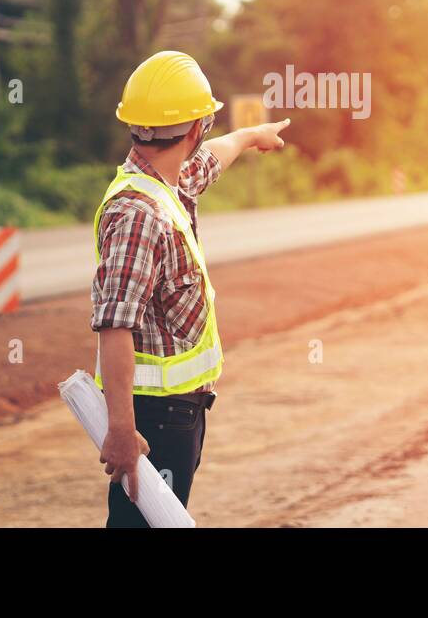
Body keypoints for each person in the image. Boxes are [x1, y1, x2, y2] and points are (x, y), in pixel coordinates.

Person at [92, 50, 289, 526]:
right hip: (155, 420)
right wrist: (121, 428)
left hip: (177, 412)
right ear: (197, 126)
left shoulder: (168, 182)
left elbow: (208, 164)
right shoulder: (141, 214)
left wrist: (249, 136)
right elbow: (115, 325)